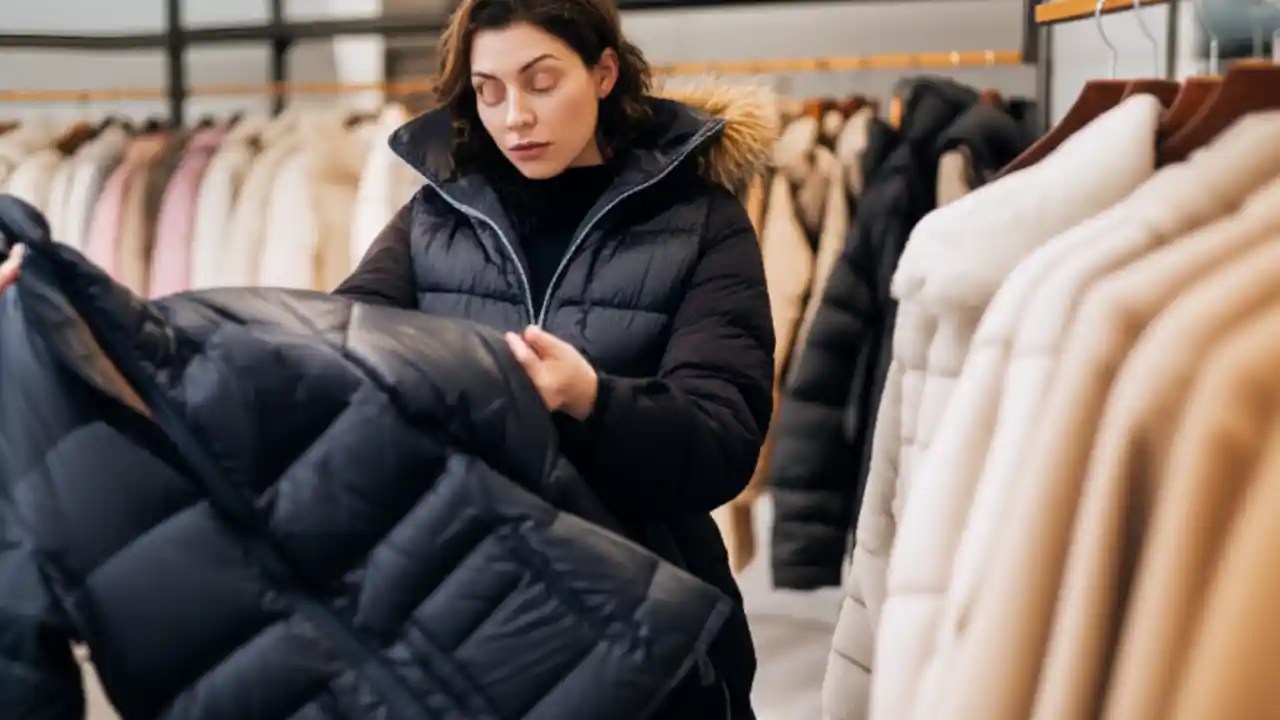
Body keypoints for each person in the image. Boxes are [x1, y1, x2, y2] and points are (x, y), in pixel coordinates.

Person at [0, 0, 774, 715]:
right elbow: (316, 354)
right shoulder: (440, 215)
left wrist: (590, 398)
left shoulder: (698, 222)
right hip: (479, 621)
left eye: (542, 82)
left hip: (654, 637)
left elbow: (722, 441)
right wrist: (82, 307)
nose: (516, 116)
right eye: (489, 89)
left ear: (603, 72)